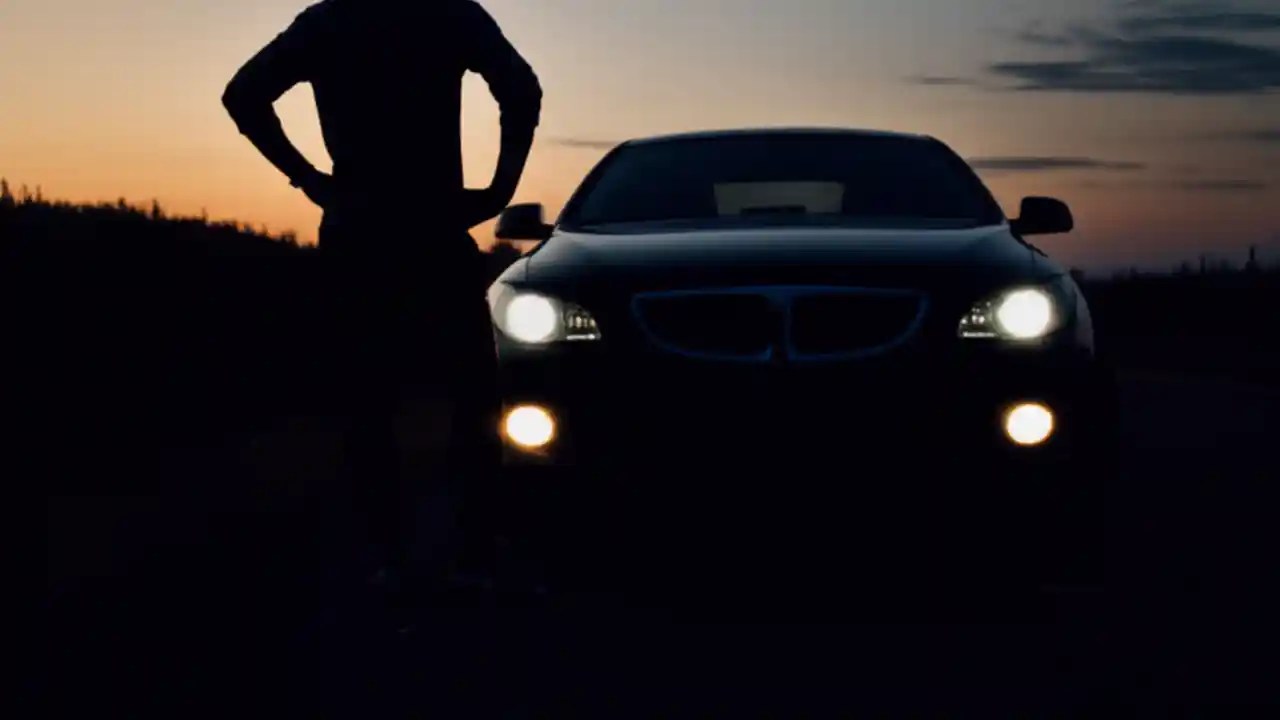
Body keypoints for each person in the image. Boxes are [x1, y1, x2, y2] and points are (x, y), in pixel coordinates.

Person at [221, 0, 542, 619]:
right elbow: (521, 91)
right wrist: (500, 188)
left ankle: (386, 559)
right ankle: (472, 554)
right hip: (433, 230)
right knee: (470, 392)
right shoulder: (449, 16)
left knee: (368, 399)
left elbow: (243, 96)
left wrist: (309, 179)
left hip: (357, 230)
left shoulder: (328, 22)